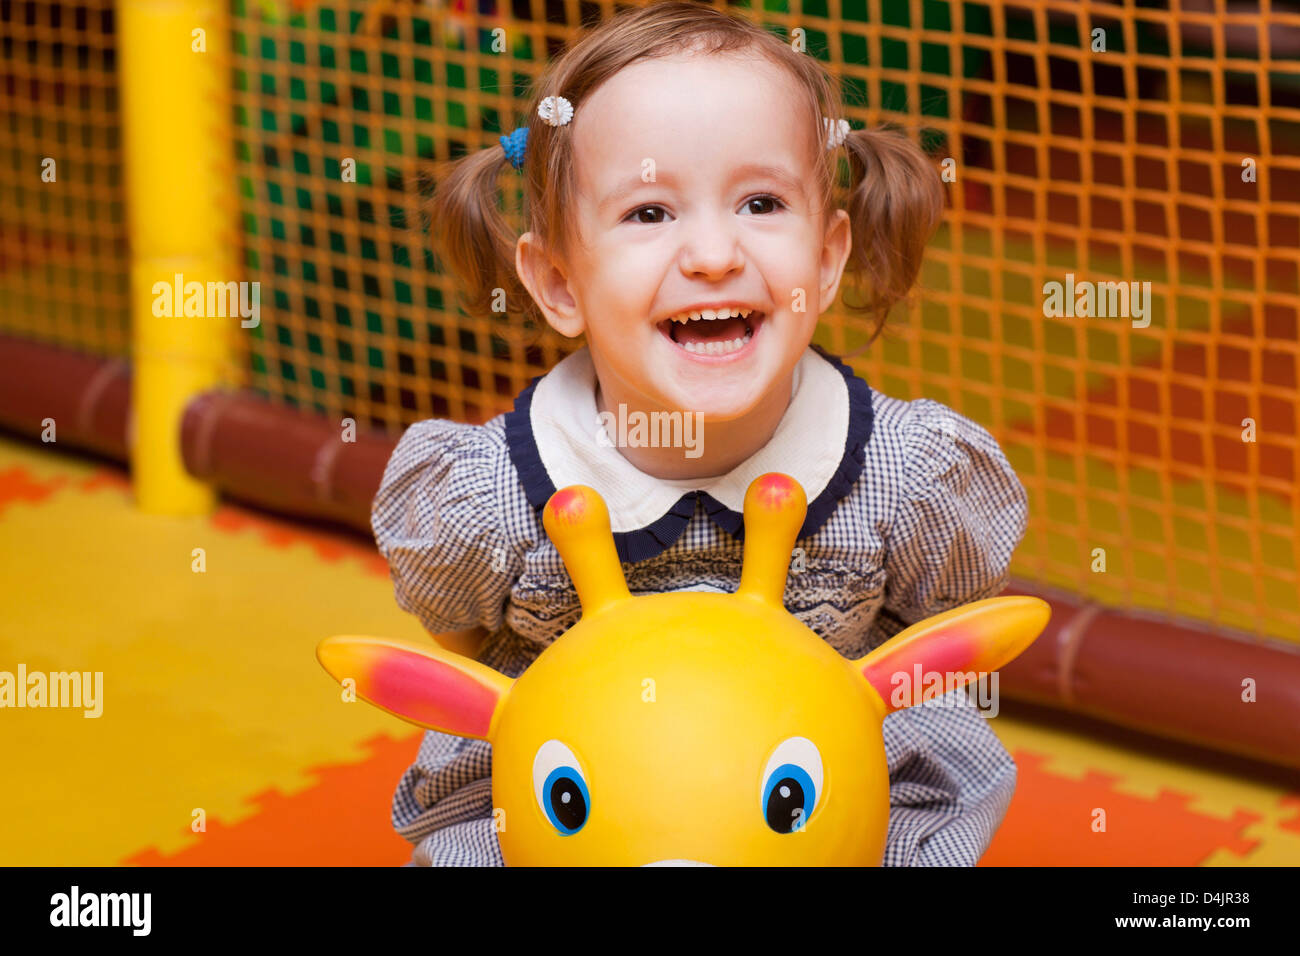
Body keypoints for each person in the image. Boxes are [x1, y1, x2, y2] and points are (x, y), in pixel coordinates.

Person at [373, 1, 1028, 865]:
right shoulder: (496, 492)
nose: (714, 253)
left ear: (826, 260)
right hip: (571, 804)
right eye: (649, 213)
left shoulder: (902, 473)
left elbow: (941, 638)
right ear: (559, 282)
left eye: (760, 202)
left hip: (820, 805)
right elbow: (460, 644)